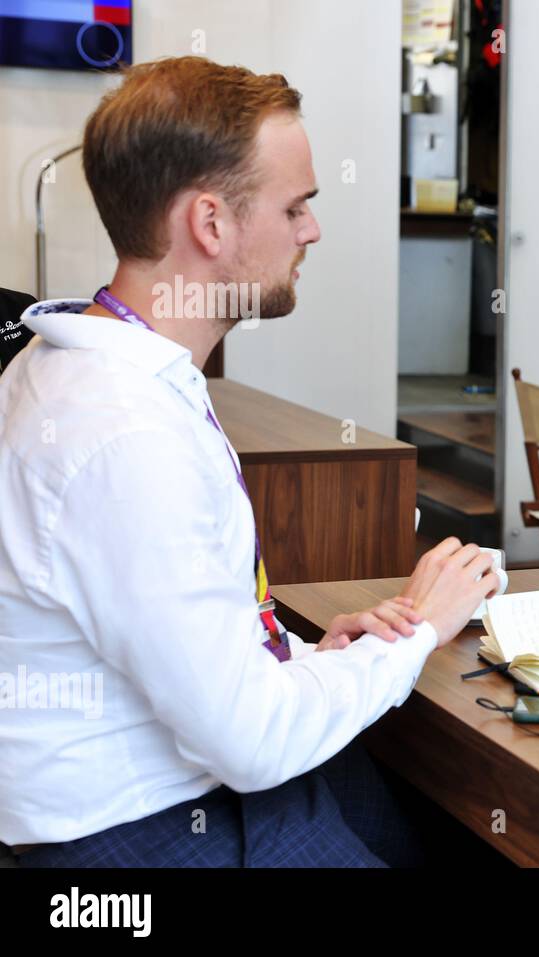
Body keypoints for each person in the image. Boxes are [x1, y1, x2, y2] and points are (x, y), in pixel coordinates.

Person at [0, 56, 501, 866]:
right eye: (295, 206)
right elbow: (250, 741)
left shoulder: (102, 369)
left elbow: (174, 636)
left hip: (184, 785)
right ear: (210, 223)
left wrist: (304, 655)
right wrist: (419, 633)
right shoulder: (123, 433)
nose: (312, 230)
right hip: (151, 831)